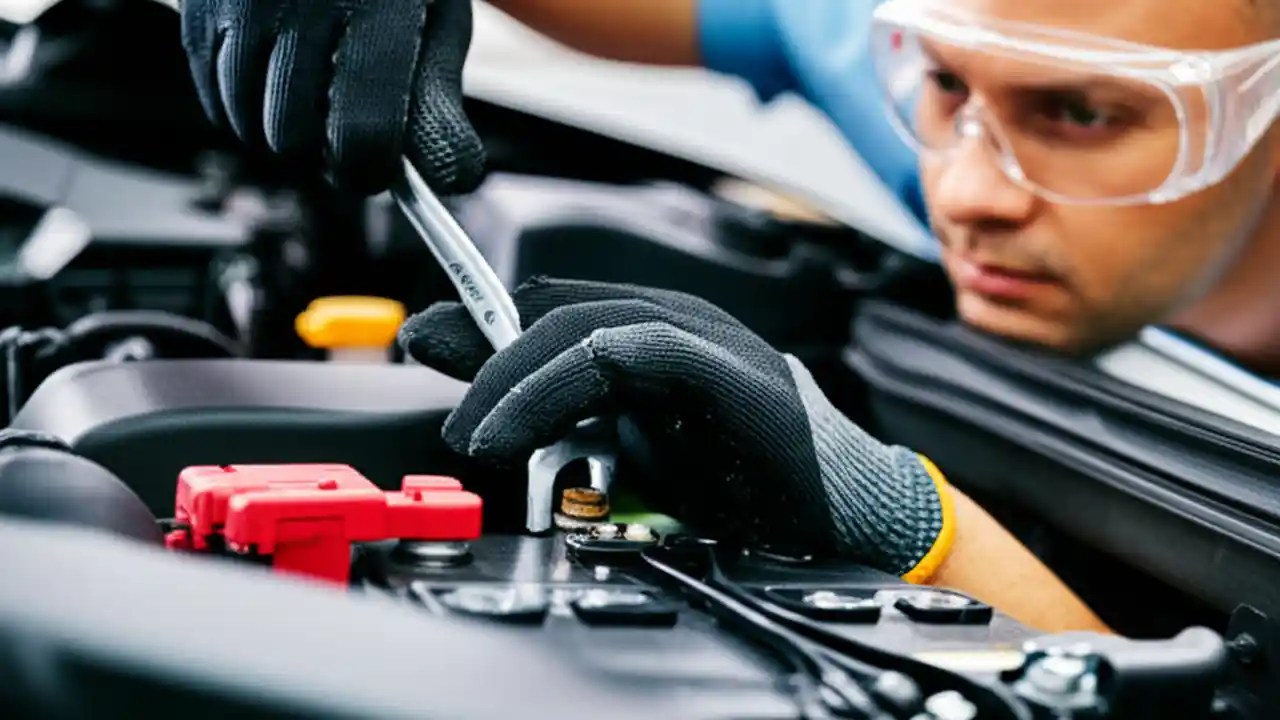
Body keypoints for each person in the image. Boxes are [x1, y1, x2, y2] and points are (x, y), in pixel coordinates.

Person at [175, 0, 1280, 635]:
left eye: (1082, 112)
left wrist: (905, 523)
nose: (966, 192)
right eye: (941, 87)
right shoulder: (909, 52)